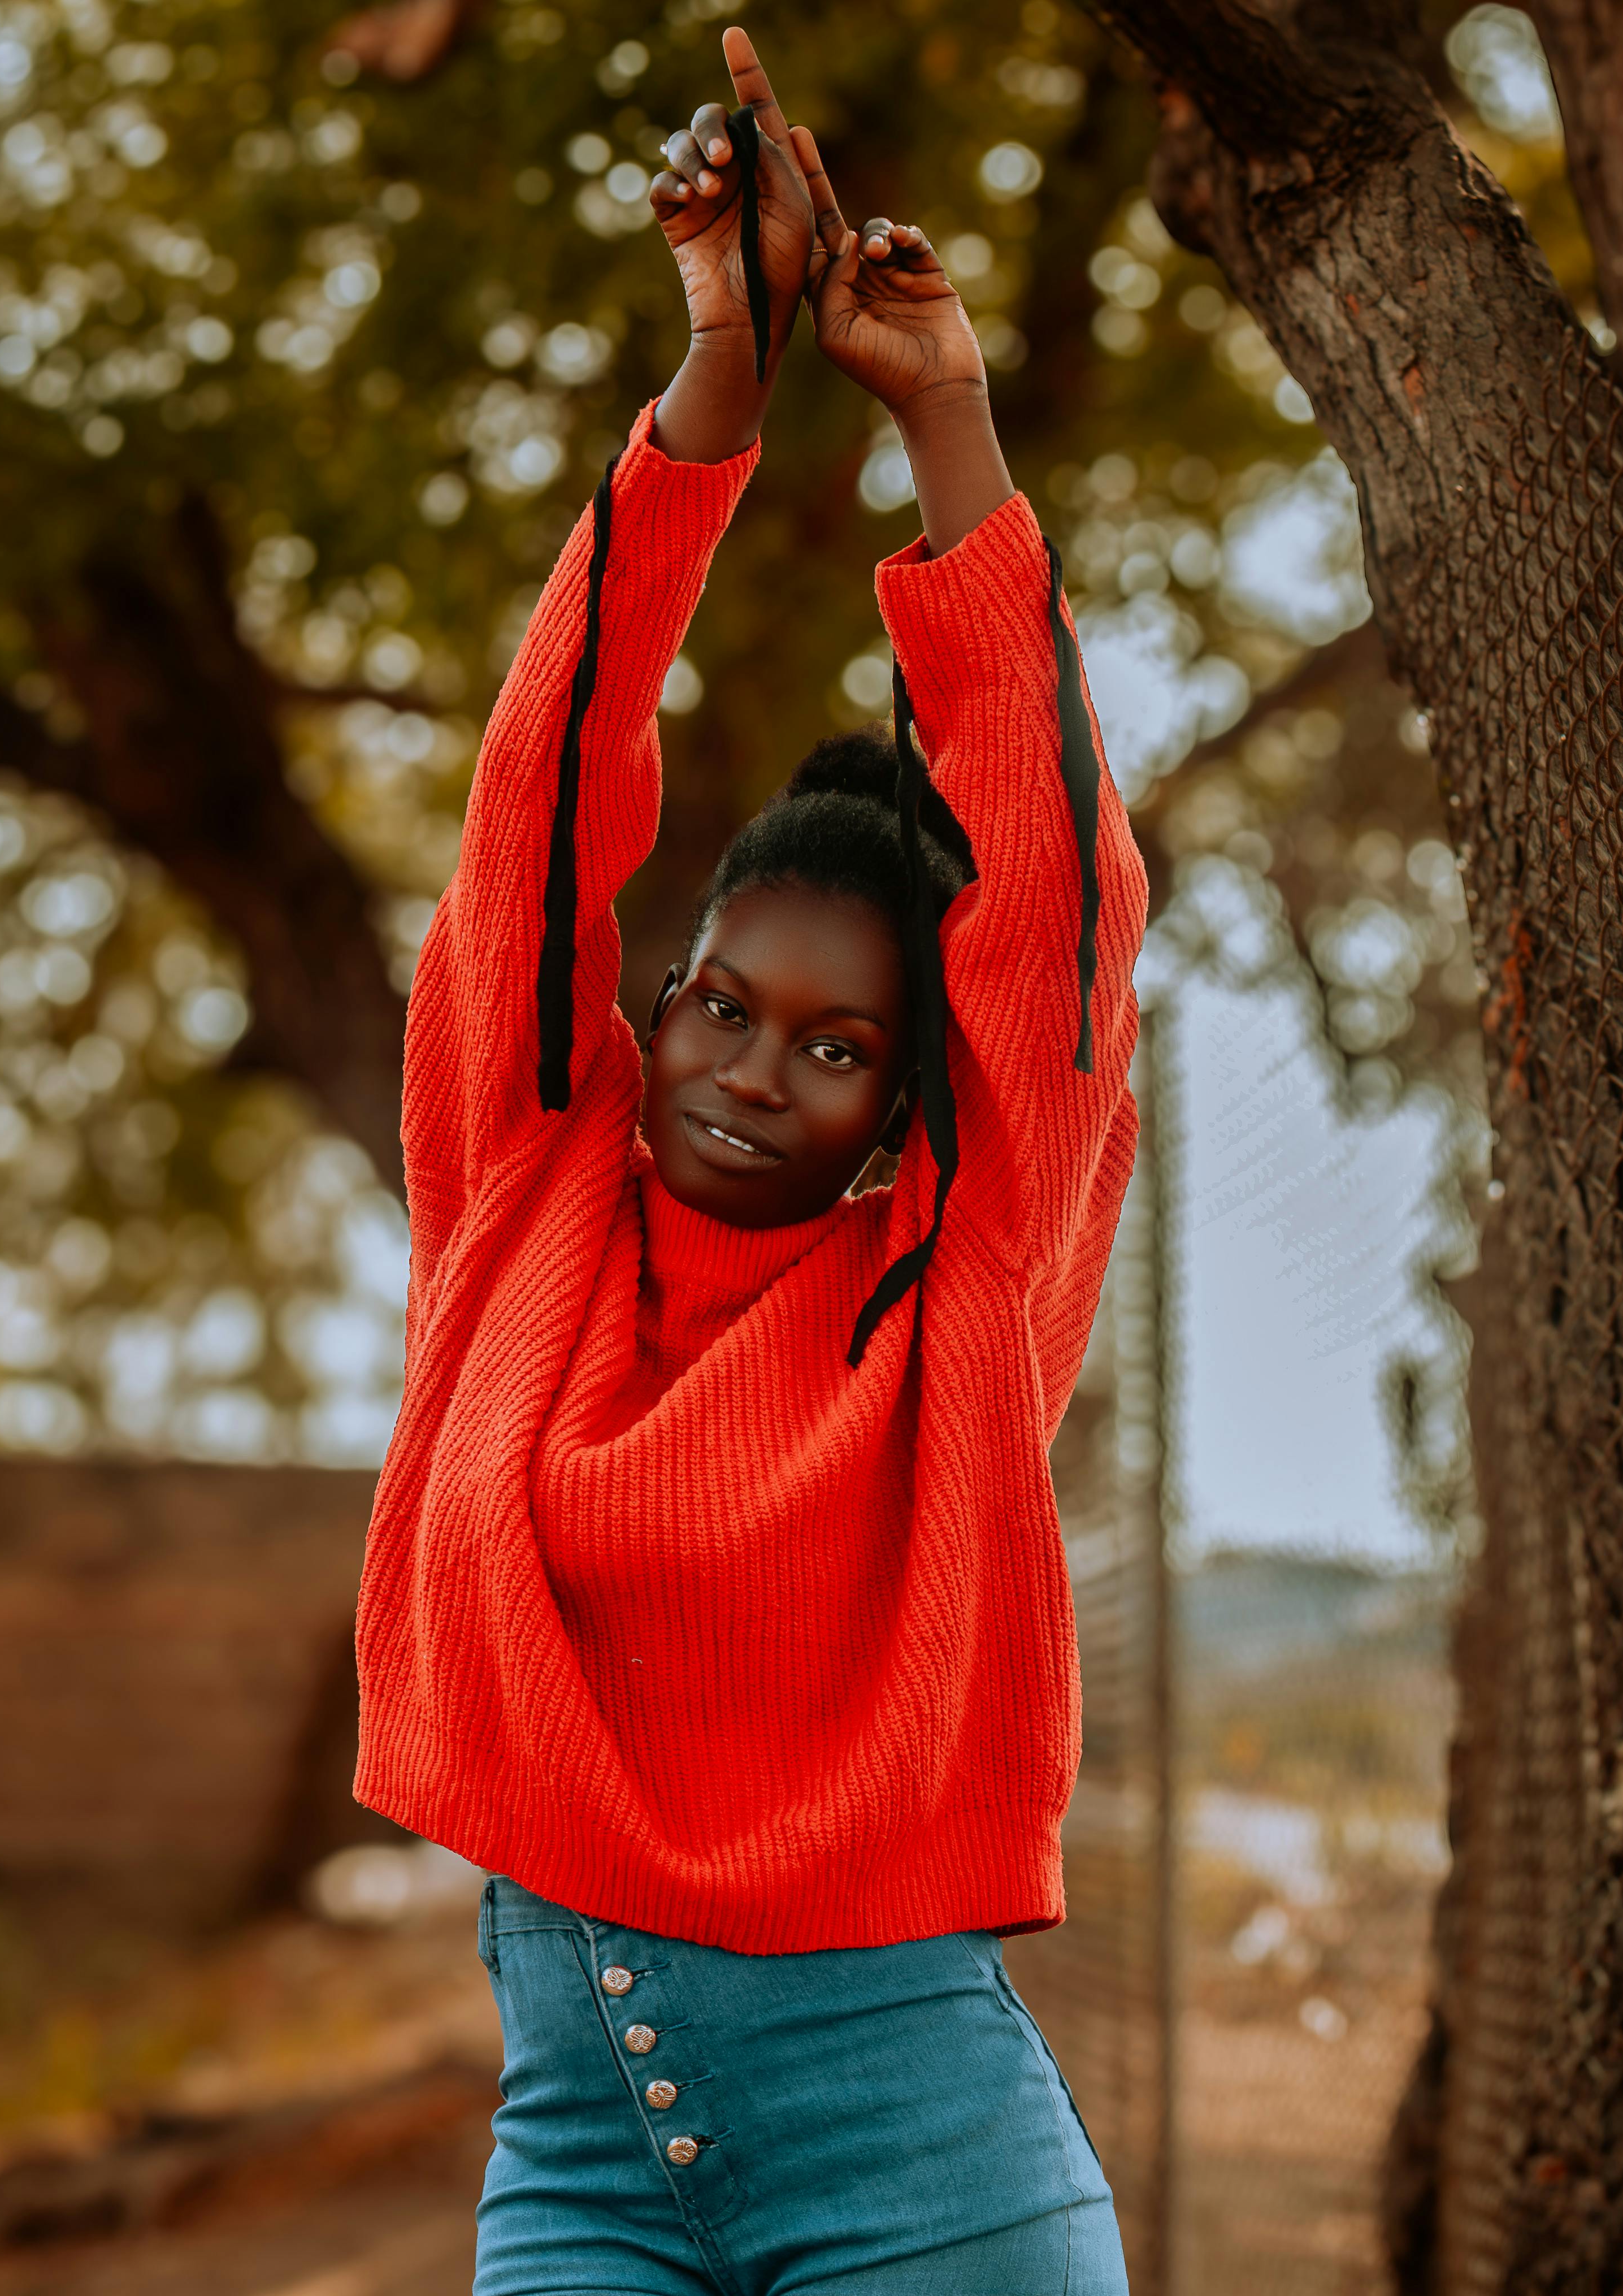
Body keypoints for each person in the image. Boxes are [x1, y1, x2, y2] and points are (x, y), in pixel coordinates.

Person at [354, 27, 1148, 2292]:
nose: (744, 1068)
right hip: (581, 2145)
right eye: (718, 997)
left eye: (836, 1047)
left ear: (913, 1099)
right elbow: (542, 786)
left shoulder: (959, 1275)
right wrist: (720, 358)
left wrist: (937, 420)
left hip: (921, 2157)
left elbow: (1066, 927)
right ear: (661, 984)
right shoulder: (529, 1187)